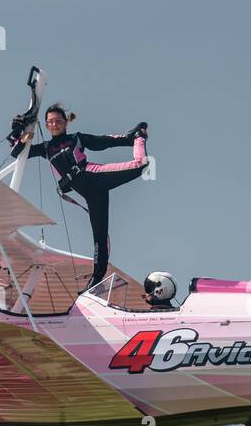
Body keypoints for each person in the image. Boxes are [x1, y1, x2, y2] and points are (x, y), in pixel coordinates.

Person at [9, 103, 148, 291]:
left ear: (66, 122)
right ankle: (97, 280)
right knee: (99, 236)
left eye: (58, 121)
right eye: (50, 122)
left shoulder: (76, 139)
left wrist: (131, 138)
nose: (54, 124)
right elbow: (17, 153)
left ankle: (140, 137)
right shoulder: (46, 148)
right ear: (47, 125)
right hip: (91, 195)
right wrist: (19, 132)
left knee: (140, 165)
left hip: (95, 176)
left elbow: (104, 142)